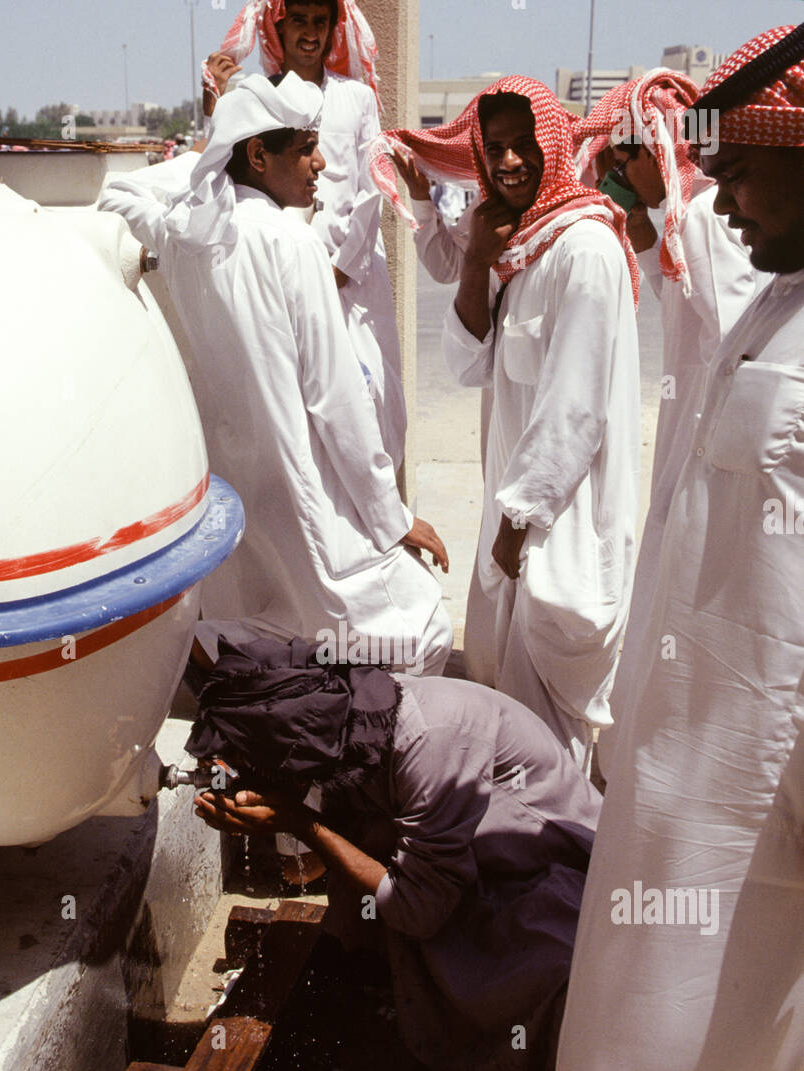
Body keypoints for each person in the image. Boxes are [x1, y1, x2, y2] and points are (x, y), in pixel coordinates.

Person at [537, 23, 804, 1071]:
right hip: (688, 747)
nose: (729, 198)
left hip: (771, 771)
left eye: (752, 171)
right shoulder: (769, 303)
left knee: (760, 1012)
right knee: (661, 994)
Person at [99, 73, 452, 675]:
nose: (322, 163)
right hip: (304, 486)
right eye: (307, 147)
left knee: (262, 635)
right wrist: (392, 518)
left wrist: (207, 168)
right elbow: (337, 400)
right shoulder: (293, 244)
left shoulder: (185, 237)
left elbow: (116, 192)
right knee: (415, 635)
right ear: (259, 154)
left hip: (236, 493)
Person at [189, 634, 602, 1071]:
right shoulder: (350, 723)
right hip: (463, 865)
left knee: (520, 977)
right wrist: (334, 968)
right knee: (382, 923)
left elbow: (418, 910)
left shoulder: (430, 744)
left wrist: (298, 823)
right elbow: (353, 852)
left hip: (542, 872)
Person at [373, 77, 641, 770]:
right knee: (508, 710)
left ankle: (558, 860)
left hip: (556, 523)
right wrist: (473, 258)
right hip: (515, 518)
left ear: (553, 147)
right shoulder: (519, 243)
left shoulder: (582, 248)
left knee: (552, 727)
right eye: (495, 149)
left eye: (525, 145)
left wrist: (516, 529)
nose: (510, 162)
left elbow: (572, 411)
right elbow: (469, 366)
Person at [573, 70, 769, 773]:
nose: (616, 170)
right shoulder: (680, 217)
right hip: (687, 431)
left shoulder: (705, 217)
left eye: (625, 156)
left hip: (708, 440)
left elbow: (727, 343)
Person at [206, 0, 407, 474]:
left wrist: (340, 268)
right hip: (288, 268)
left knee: (371, 390)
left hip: (352, 275)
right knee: (300, 392)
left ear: (335, 32)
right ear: (280, 28)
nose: (311, 33)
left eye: (321, 22)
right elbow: (231, 162)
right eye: (299, 21)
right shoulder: (263, 95)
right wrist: (215, 100)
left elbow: (372, 186)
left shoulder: (356, 97)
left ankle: (378, 509)